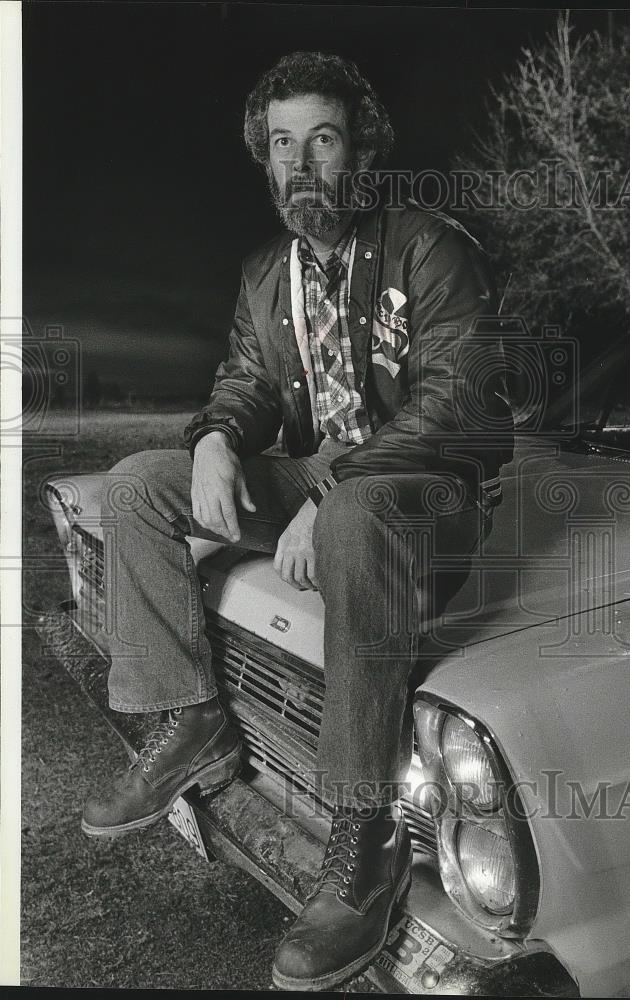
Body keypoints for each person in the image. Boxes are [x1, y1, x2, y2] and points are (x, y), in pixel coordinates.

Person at [82, 51, 514, 991]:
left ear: (359, 148)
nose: (302, 161)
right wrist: (212, 440)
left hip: (424, 494)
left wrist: (329, 488)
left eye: (322, 137)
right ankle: (189, 716)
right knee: (135, 487)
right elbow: (244, 386)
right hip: (330, 485)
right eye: (282, 144)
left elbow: (456, 400)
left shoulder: (428, 246)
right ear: (265, 160)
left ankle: (366, 841)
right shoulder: (263, 275)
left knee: (356, 510)